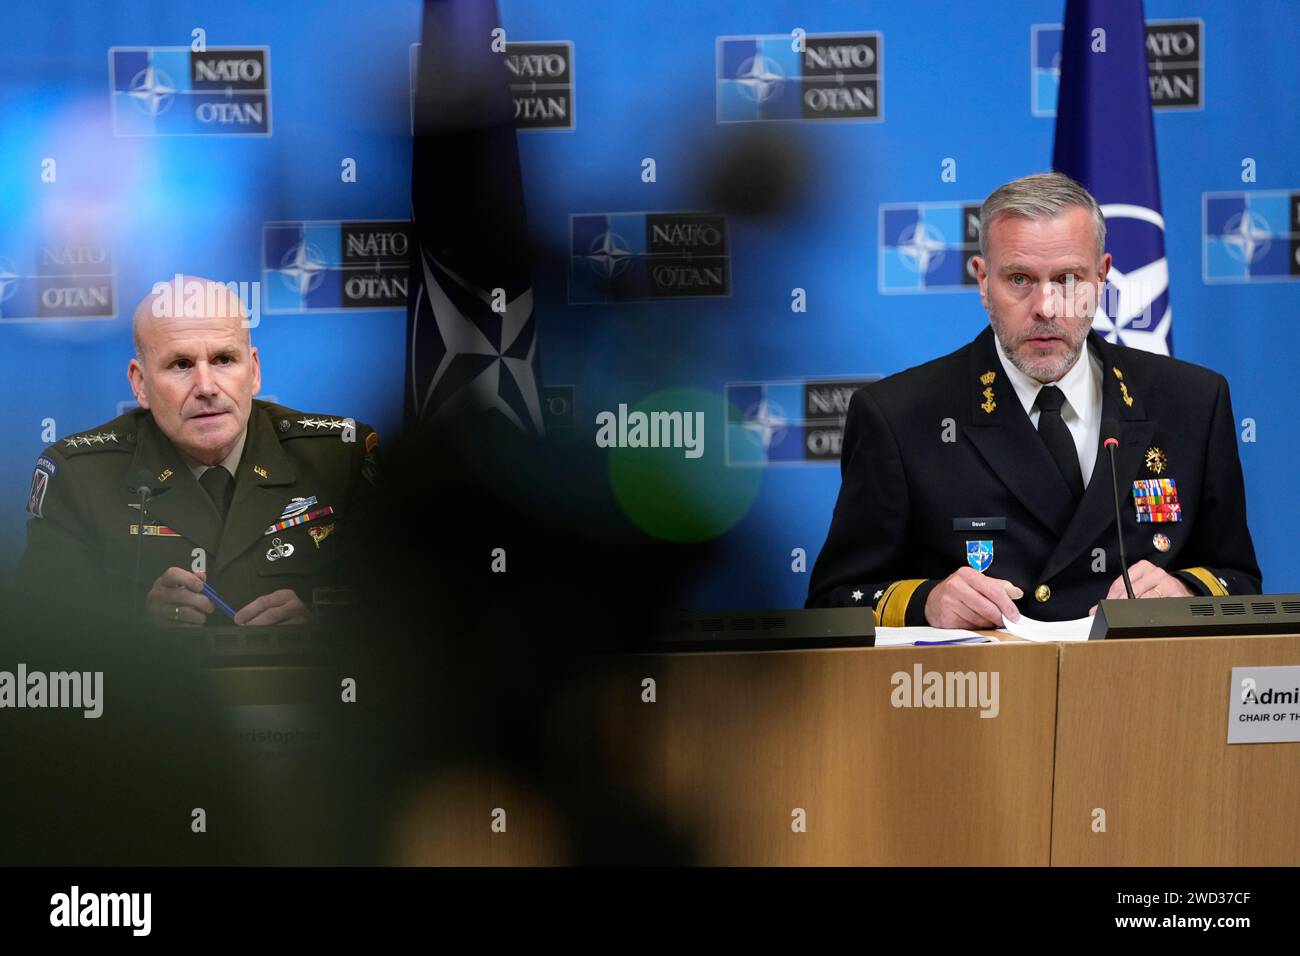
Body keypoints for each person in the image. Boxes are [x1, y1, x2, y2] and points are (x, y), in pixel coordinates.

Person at [806, 172, 1261, 625]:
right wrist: (928, 601)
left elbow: (1239, 580)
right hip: (985, 689)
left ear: (1102, 277)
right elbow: (834, 601)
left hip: (1139, 686)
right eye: (1020, 279)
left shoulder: (1192, 403)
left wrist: (1184, 591)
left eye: (1068, 278)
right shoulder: (899, 416)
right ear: (983, 281)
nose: (1046, 306)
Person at [18, 276, 381, 626]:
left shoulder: (339, 458)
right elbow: (41, 630)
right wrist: (135, 627)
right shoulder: (79, 476)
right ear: (140, 383)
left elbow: (407, 616)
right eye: (181, 365)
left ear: (253, 371)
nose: (206, 387)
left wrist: (322, 626)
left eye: (224, 360)